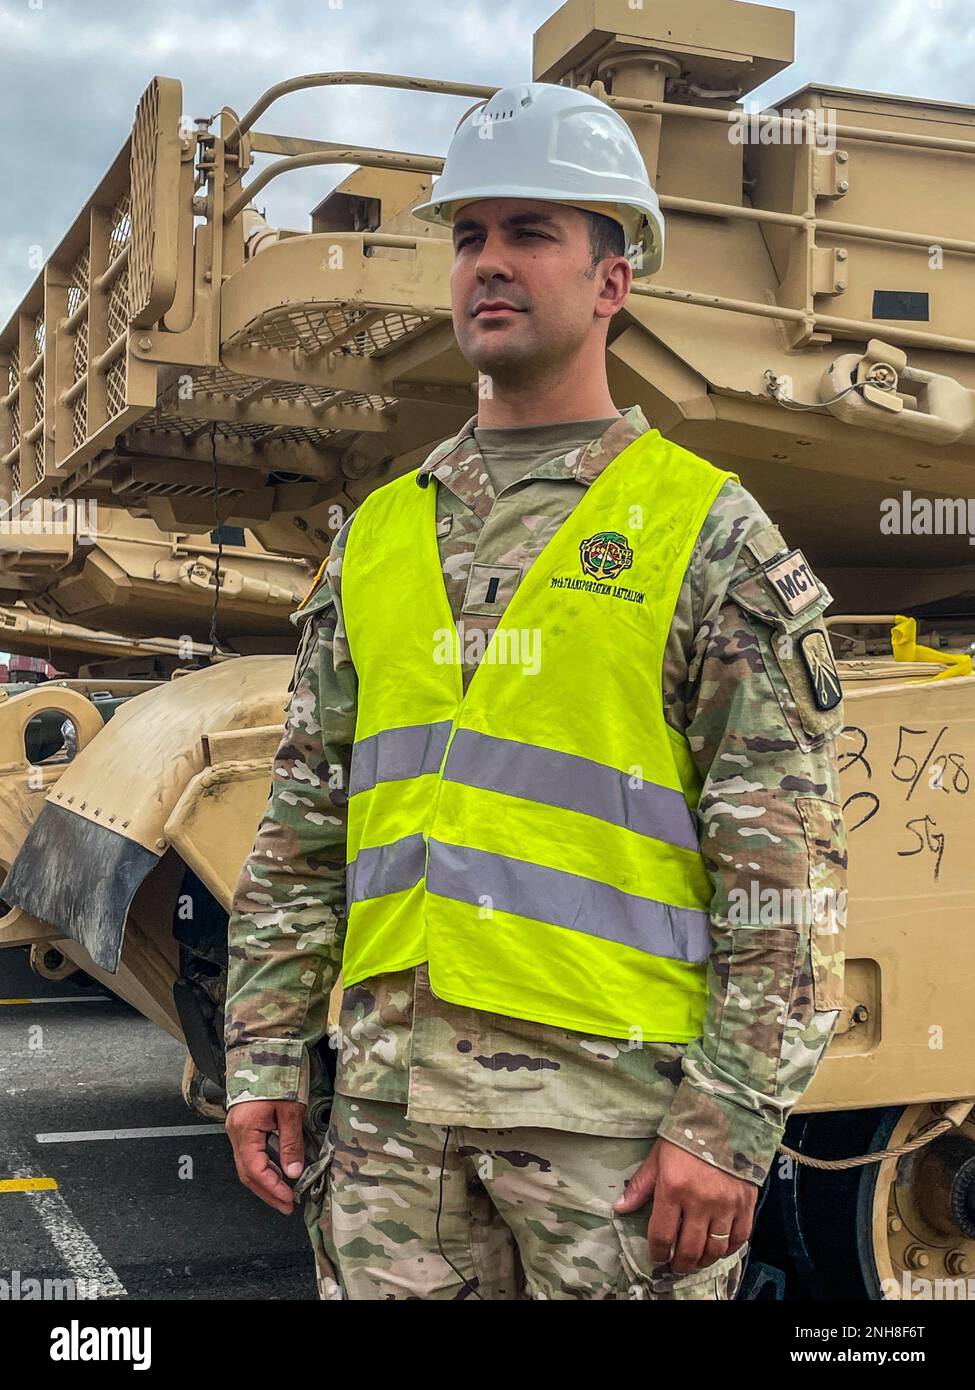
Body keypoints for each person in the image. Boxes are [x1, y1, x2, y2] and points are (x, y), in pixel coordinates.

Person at [224, 81, 847, 1301]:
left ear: (613, 281)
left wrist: (725, 1121)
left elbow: (789, 869)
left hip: (610, 1140)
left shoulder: (705, 534)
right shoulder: (380, 536)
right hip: (392, 1132)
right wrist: (264, 1053)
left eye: (531, 232)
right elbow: (304, 830)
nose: (489, 264)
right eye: (469, 236)